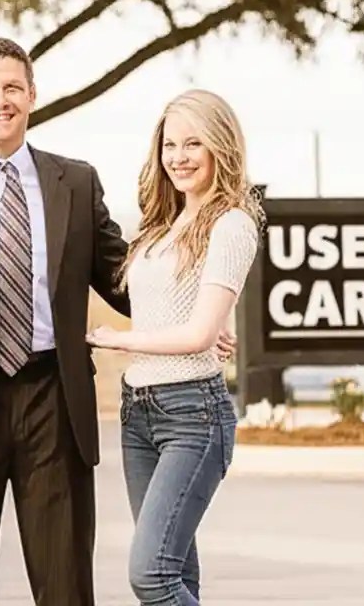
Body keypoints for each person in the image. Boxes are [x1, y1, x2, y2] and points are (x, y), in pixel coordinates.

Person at [0, 37, 233, 606]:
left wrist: (195, 314)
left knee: (65, 586)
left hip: (53, 399)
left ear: (31, 95)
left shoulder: (74, 182)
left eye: (10, 87)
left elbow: (121, 278)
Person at [85, 89, 262, 605]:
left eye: (193, 144)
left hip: (192, 414)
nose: (178, 157)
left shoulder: (231, 223)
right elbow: (182, 309)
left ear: (220, 149)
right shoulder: (163, 224)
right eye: (170, 144)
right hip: (139, 412)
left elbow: (197, 336)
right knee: (177, 574)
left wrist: (119, 339)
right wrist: (207, 324)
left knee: (152, 575)